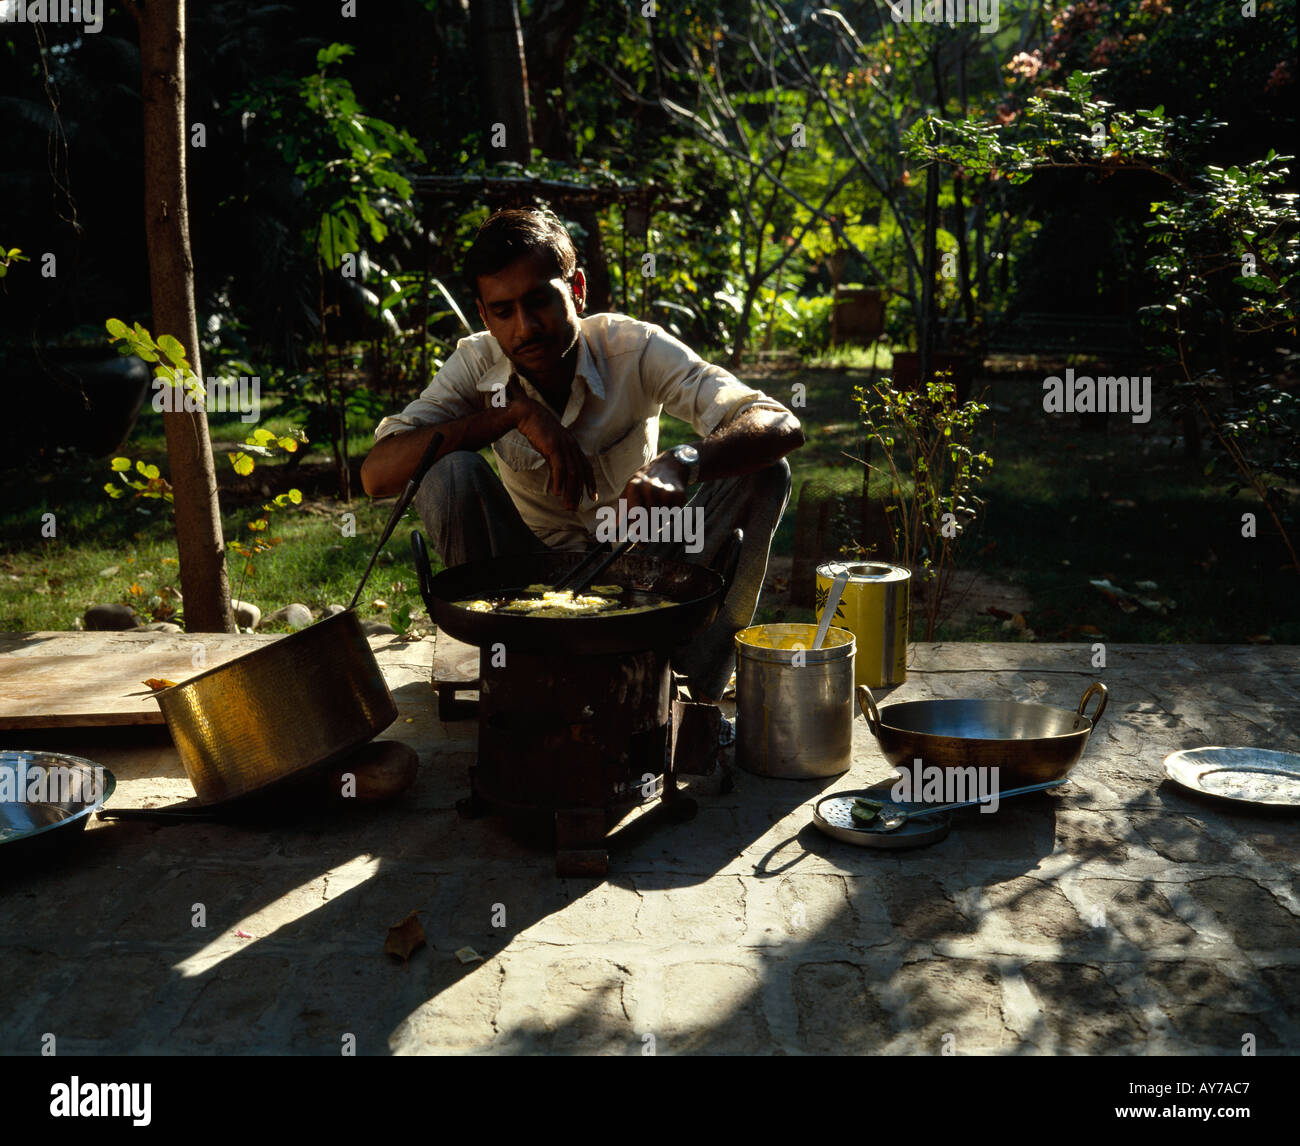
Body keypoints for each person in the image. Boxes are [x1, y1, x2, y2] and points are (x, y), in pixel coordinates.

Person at [361, 206, 803, 702]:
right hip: (522, 574)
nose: (525, 327)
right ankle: (514, 671)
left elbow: (781, 422)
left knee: (766, 472)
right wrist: (512, 416)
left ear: (577, 290)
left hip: (645, 561)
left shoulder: (633, 347)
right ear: (484, 315)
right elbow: (378, 474)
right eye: (503, 311)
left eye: (539, 301)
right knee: (449, 469)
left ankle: (692, 689)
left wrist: (683, 460)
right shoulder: (477, 364)